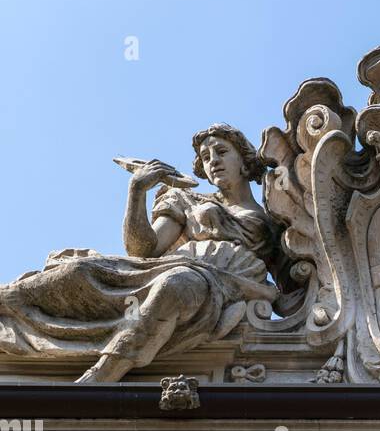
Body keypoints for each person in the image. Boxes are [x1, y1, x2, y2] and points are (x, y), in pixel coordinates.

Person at [0, 125, 284, 383]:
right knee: (81, 269)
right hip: (177, 266)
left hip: (223, 285)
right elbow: (143, 250)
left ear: (245, 161)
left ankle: (106, 369)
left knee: (176, 284)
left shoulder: (277, 214)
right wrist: (137, 190)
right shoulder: (188, 201)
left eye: (222, 152)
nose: (213, 161)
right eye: (206, 157)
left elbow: (292, 275)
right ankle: (10, 299)